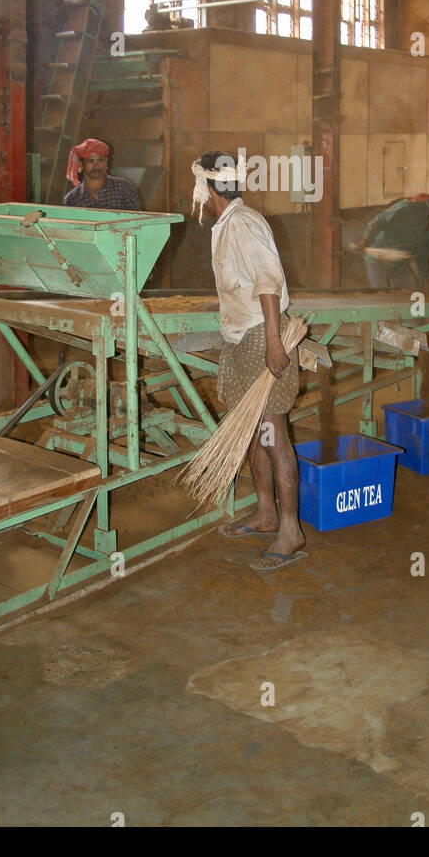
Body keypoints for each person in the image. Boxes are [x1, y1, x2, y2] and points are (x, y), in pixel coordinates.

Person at [192, 149, 305, 573]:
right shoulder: (225, 225)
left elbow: (268, 282)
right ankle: (266, 513)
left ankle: (290, 530)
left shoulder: (244, 223)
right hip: (243, 339)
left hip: (262, 336)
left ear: (206, 186)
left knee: (273, 433)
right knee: (254, 434)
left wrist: (274, 342)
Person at [353, 182, 429, 291]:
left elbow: (422, 256)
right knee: (380, 296)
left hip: (397, 260)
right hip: (378, 257)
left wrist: (428, 279)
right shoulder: (409, 207)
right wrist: (365, 240)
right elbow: (379, 219)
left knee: (410, 293)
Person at [63, 138, 141, 210]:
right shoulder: (72, 198)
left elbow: (140, 220)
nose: (96, 165)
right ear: (81, 164)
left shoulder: (123, 188)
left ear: (106, 162)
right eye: (90, 161)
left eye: (100, 160)